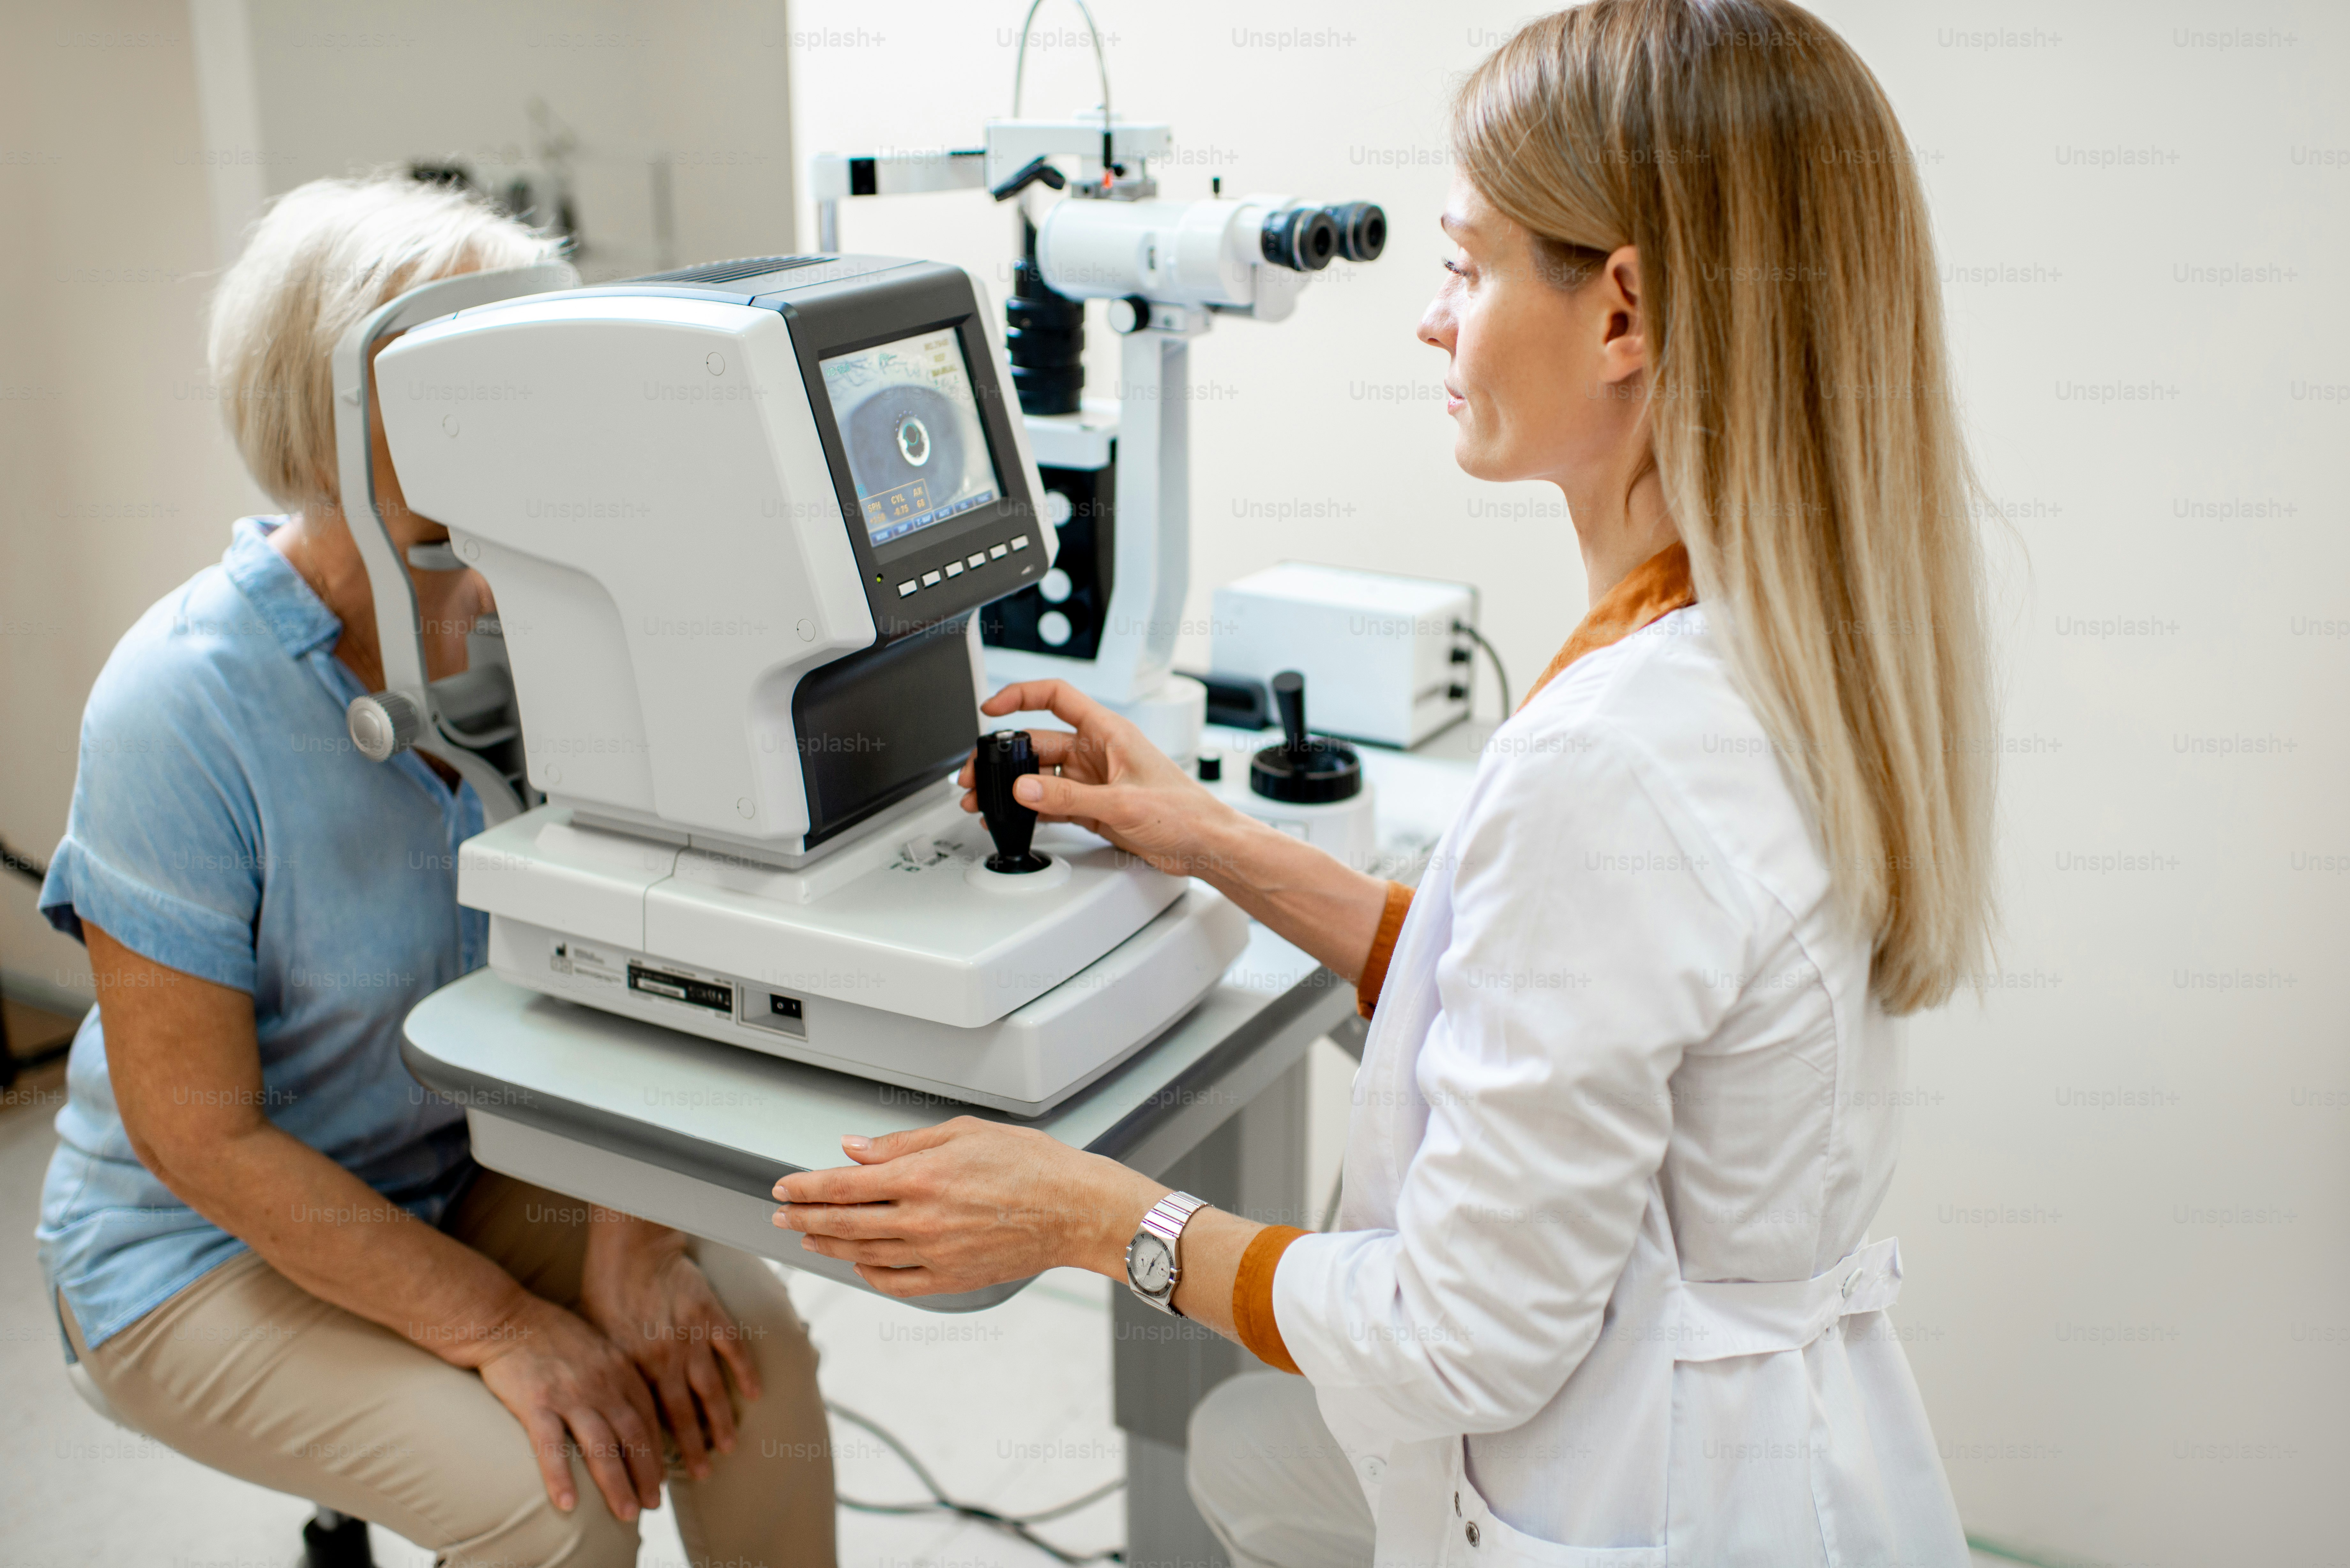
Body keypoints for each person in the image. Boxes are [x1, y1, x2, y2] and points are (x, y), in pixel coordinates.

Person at [772, 1, 1996, 1564]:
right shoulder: (1780, 638)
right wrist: (1211, 838)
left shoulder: (1615, 755)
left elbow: (1449, 1338)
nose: (1431, 320)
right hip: (1759, 1423)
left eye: (1466, 268)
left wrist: (1087, 1214)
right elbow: (1560, 994)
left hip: (1639, 1487)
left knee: (1252, 1436)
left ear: (1622, 314)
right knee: (1249, 1442)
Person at [36, 175, 835, 1568]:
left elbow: (648, 955)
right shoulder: (182, 702)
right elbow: (194, 1136)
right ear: (334, 420)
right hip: (195, 1246)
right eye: (464, 378)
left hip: (462, 1167)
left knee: (750, 1362)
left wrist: (629, 1242)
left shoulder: (559, 623)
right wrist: (505, 1324)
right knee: (557, 1503)